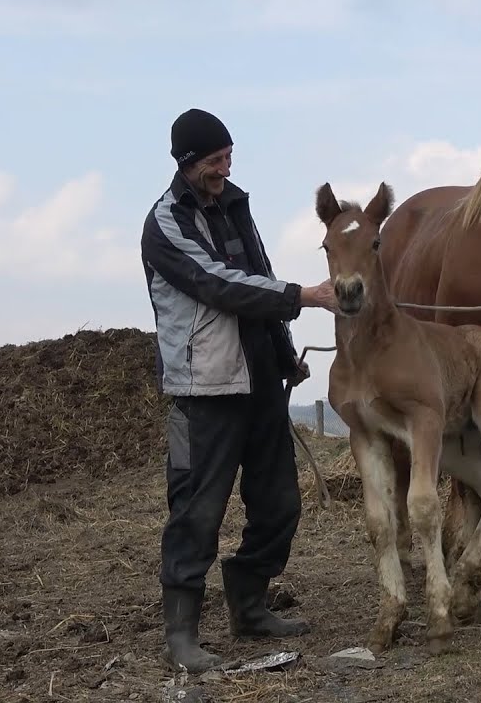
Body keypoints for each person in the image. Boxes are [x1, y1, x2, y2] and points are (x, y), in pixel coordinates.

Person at [140, 107, 338, 673]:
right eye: (214, 161)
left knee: (279, 505)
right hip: (205, 390)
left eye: (228, 158)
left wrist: (280, 353)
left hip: (259, 385)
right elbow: (219, 284)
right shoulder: (166, 223)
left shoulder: (234, 205)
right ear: (186, 163)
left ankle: (249, 604)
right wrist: (305, 295)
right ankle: (181, 633)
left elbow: (257, 269)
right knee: (197, 512)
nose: (224, 169)